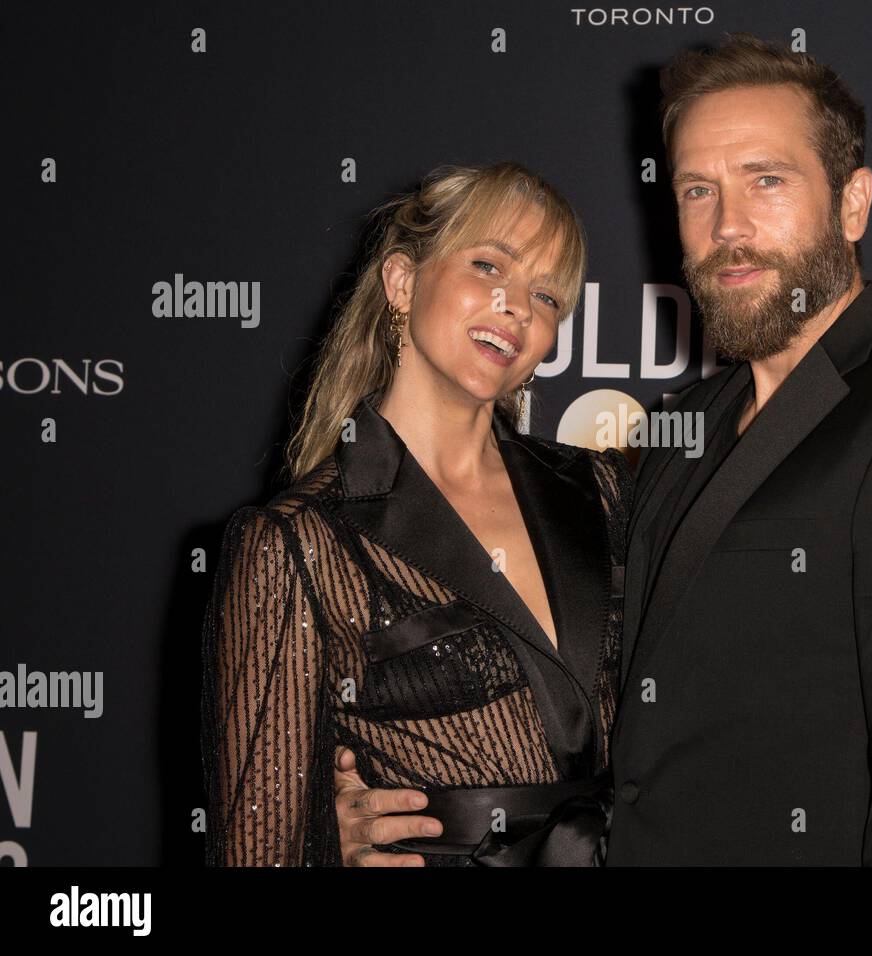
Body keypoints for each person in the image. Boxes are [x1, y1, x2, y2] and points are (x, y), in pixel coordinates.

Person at [334, 34, 872, 866]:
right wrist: (359, 811)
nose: (727, 226)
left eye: (766, 183)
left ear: (854, 204)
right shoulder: (683, 429)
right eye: (697, 190)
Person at [200, 161, 631, 867]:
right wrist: (321, 839)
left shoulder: (600, 490)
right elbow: (256, 851)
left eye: (548, 296)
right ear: (401, 282)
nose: (519, 306)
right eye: (489, 264)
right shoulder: (302, 540)